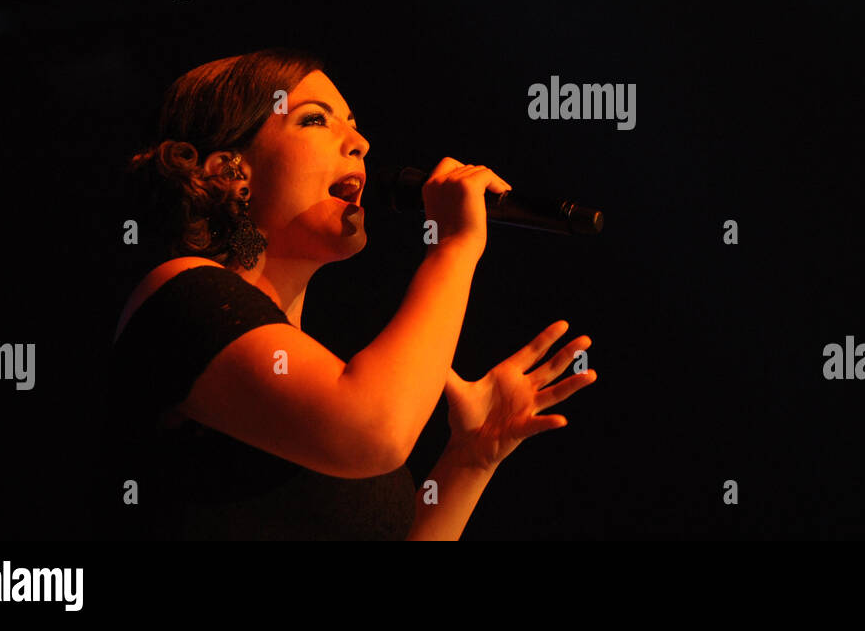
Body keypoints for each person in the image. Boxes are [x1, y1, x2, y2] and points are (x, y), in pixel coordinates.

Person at [102, 47, 597, 539]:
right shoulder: (176, 294)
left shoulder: (314, 373)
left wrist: (470, 458)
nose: (359, 141)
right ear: (231, 170)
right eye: (316, 120)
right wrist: (454, 247)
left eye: (354, 123)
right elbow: (373, 432)